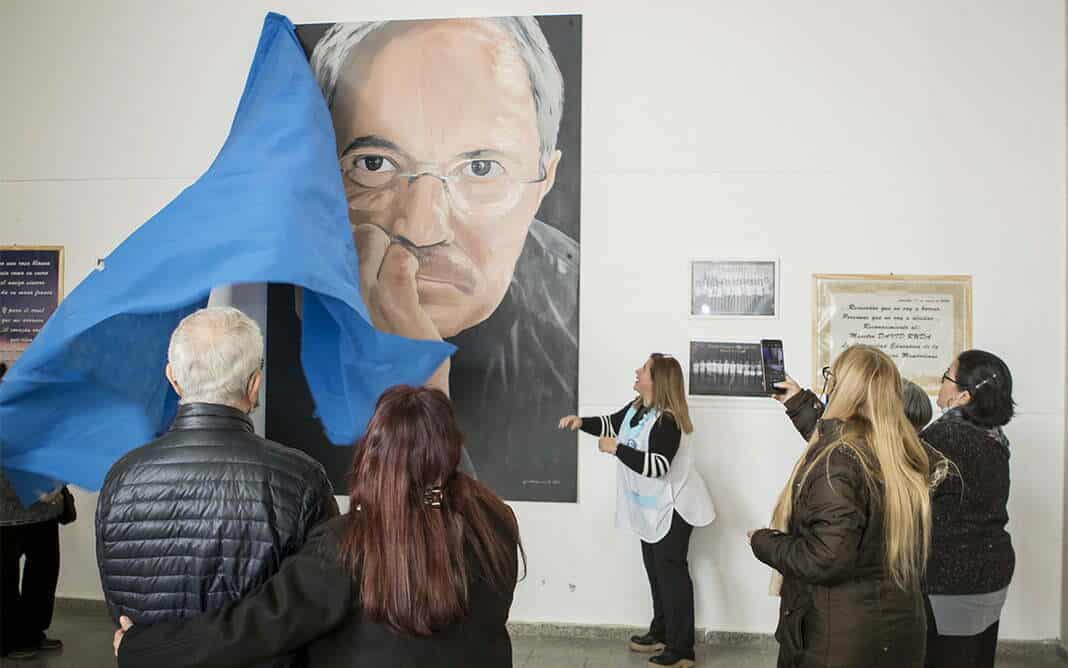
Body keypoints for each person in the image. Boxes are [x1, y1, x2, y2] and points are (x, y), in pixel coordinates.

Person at [270, 16, 578, 500]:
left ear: (545, 182)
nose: (421, 229)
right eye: (373, 164)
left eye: (481, 168)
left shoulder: (575, 312)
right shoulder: (267, 317)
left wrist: (419, 386)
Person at [113, 385, 523, 668]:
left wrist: (143, 647)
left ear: (374, 457)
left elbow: (254, 628)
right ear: (451, 450)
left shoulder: (346, 545)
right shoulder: (495, 523)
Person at [96, 307, 338, 668]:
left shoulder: (120, 478)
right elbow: (320, 604)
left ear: (172, 378)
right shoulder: (303, 480)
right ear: (254, 383)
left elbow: (120, 606)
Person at [748, 345, 933, 667]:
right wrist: (798, 401)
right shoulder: (904, 451)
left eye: (830, 377)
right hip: (896, 629)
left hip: (838, 640)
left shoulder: (838, 461)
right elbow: (841, 435)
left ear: (841, 387)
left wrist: (764, 541)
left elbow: (825, 560)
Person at [559, 353, 715, 668]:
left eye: (643, 369)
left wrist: (616, 448)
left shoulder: (667, 421)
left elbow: (657, 466)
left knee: (672, 576)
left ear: (657, 381)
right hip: (651, 509)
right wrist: (582, 423)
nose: (637, 371)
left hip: (676, 508)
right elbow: (612, 424)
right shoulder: (638, 408)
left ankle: (682, 650)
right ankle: (661, 632)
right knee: (656, 572)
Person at [922, 350, 1016, 668]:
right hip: (992, 572)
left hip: (952, 579)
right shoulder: (996, 439)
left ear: (964, 396)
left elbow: (887, 480)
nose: (941, 383)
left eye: (946, 377)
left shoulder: (943, 438)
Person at [0, 361, 67, 660]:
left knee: (43, 574)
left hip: (42, 513)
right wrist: (36, 492)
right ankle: (8, 641)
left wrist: (57, 485)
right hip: (6, 516)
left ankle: (32, 632)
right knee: (5, 582)